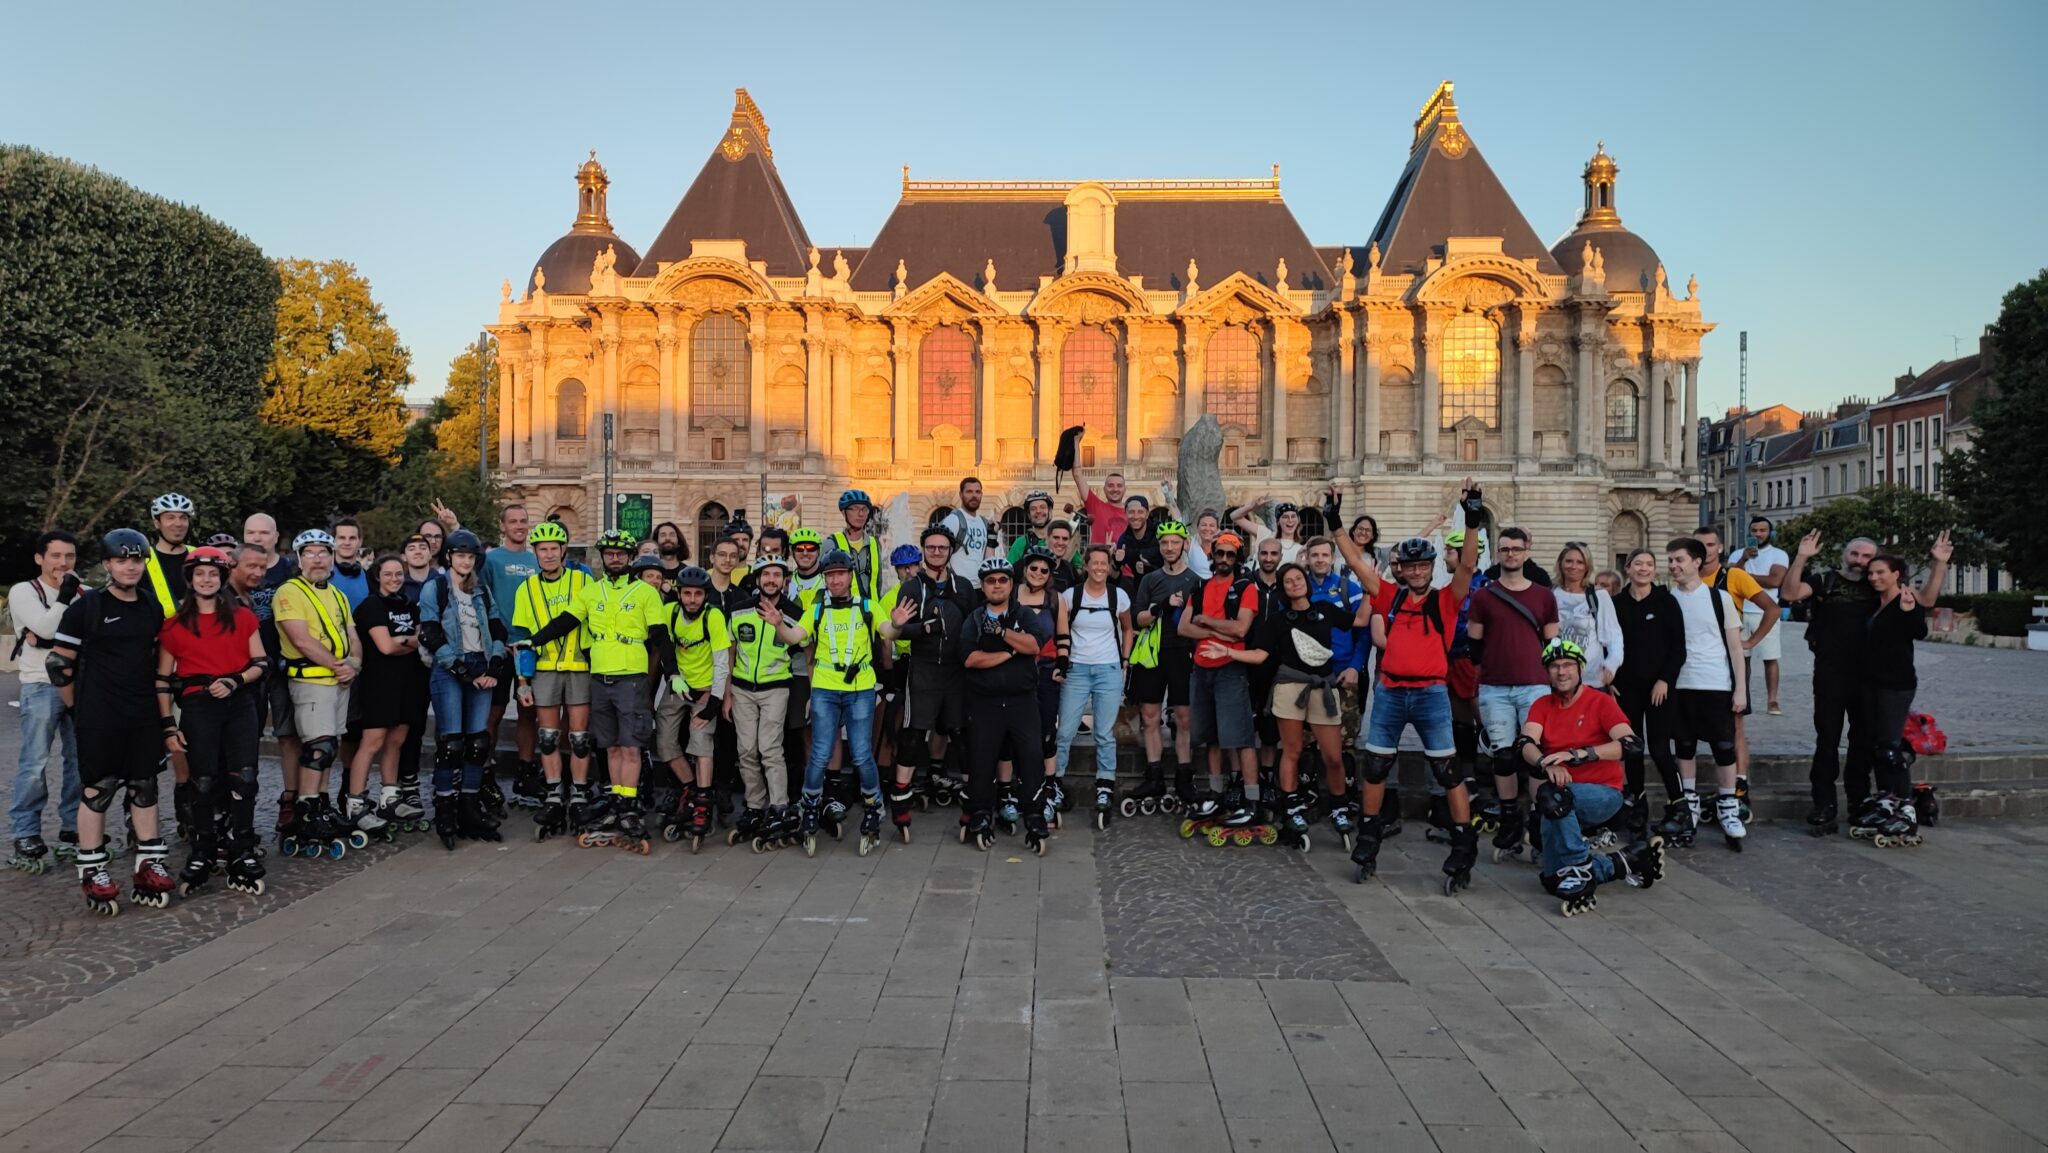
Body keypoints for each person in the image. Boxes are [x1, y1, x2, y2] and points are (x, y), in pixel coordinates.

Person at [1341, 483, 1481, 891]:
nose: (1418, 572)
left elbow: (1469, 567)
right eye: (1411, 567)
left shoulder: (1445, 601)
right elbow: (1357, 564)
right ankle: (1369, 835)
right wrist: (1335, 523)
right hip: (1391, 691)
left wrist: (1471, 518)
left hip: (1431, 694)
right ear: (1401, 569)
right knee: (1377, 767)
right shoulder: (1391, 597)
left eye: (1424, 566)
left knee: (1448, 771)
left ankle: (1462, 841)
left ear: (1432, 567)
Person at [518, 529, 671, 852]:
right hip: (600, 677)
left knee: (630, 747)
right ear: (602, 558)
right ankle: (616, 802)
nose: (614, 558)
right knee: (611, 746)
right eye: (609, 553)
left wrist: (674, 675)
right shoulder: (592, 591)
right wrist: (535, 640)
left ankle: (629, 807)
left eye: (620, 553)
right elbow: (565, 621)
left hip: (631, 677)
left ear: (630, 558)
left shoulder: (646, 592)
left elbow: (659, 636)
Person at [49, 529, 173, 914]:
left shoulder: (151, 607)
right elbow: (58, 665)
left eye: (137, 559)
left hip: (141, 712)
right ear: (107, 564)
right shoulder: (86, 608)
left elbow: (158, 661)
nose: (130, 566)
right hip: (98, 714)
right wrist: (75, 710)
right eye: (122, 559)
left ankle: (148, 863)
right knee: (98, 790)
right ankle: (92, 868)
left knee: (144, 785)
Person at [1203, 561, 1354, 851]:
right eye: (1288, 581)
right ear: (1283, 588)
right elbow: (1260, 655)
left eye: (1299, 578)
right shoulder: (1279, 620)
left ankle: (1339, 806)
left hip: (1322, 687)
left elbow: (1358, 620)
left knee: (1333, 756)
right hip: (1289, 688)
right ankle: (1292, 806)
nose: (1294, 583)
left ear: (1307, 582)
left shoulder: (1327, 609)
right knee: (1292, 751)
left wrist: (1367, 578)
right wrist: (1228, 652)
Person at [1517, 638, 1665, 915]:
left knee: (1551, 796)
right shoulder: (1542, 704)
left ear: (1580, 668)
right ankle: (1626, 861)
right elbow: (1525, 742)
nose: (1562, 672)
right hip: (1562, 796)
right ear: (1547, 672)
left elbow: (1631, 744)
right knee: (1552, 880)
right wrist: (1544, 763)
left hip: (1603, 793)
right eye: (1555, 666)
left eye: (1568, 665)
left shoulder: (1600, 701)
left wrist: (1580, 755)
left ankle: (1580, 869)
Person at [156, 546, 268, 897]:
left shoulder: (243, 617)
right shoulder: (173, 627)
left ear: (222, 579)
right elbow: (162, 680)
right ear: (189, 578)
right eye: (199, 574)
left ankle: (242, 847)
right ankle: (203, 849)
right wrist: (167, 726)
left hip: (238, 702)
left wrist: (235, 680)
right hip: (198, 706)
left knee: (244, 777)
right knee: (202, 781)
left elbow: (261, 663)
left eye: (213, 574)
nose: (206, 579)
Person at [1465, 525, 1560, 862]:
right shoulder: (1483, 596)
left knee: (1535, 756)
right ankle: (1509, 820)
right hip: (1495, 685)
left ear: (1526, 551)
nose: (1510, 554)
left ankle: (1536, 821)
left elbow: (1552, 645)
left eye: (1516, 549)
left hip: (1534, 684)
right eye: (1505, 549)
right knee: (1503, 756)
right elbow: (1473, 643)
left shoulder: (1544, 596)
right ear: (1498, 552)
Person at [955, 556, 1056, 853]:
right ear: (983, 586)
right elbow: (971, 659)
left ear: (1011, 584)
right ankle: (982, 813)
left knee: (1031, 756)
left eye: (1002, 580)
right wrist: (1011, 653)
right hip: (985, 701)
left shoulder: (1023, 614)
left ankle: (1035, 815)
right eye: (990, 580)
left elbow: (1034, 646)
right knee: (982, 759)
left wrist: (1001, 634)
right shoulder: (973, 618)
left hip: (1022, 701)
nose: (996, 585)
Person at [273, 529, 361, 860]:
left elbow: (351, 634)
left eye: (323, 552)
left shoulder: (337, 594)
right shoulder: (289, 591)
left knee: (330, 746)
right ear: (299, 559)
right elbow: (302, 640)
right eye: (309, 553)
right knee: (318, 747)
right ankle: (306, 811)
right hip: (311, 680)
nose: (318, 558)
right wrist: (339, 667)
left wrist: (354, 663)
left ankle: (320, 803)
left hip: (339, 682)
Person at [796, 549, 889, 853]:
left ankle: (874, 805)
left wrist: (898, 624)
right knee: (820, 752)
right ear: (825, 578)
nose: (835, 579)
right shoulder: (817, 609)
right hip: (825, 687)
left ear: (850, 576)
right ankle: (809, 805)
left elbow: (888, 630)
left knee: (861, 753)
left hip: (860, 688)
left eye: (840, 574)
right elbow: (796, 636)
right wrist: (776, 624)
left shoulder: (867, 606)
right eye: (830, 575)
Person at [511, 520, 595, 842]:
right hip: (544, 669)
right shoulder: (526, 589)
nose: (547, 554)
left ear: (563, 551)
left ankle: (579, 794)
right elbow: (521, 638)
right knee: (547, 736)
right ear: (535, 553)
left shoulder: (582, 580)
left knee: (579, 738)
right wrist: (522, 681)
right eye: (542, 549)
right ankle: (553, 794)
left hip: (578, 666)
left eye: (553, 549)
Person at [1661, 536, 1747, 850]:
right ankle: (1689, 802)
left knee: (1723, 746)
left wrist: (1741, 689)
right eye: (1670, 560)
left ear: (1697, 561)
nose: (1673, 566)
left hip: (1714, 681)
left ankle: (1728, 805)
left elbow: (1736, 647)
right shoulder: (1668, 598)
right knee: (1684, 745)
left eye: (1679, 560)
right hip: (1680, 683)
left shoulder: (1719, 598)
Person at [1852, 548, 1942, 846]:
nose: (1874, 577)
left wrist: (1908, 610)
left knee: (1891, 747)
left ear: (1896, 575)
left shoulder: (1906, 600)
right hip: (1870, 683)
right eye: (1871, 573)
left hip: (1896, 683)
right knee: (1876, 745)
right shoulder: (1873, 604)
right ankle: (1886, 800)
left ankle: (1906, 807)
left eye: (1881, 572)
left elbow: (1918, 631)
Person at [8, 531, 83, 875]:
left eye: (69, 556)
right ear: (40, 558)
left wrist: (50, 638)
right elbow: (44, 625)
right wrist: (66, 597)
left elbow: (78, 634)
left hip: (79, 685)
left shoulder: (87, 593)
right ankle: (26, 831)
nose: (63, 563)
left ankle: (73, 826)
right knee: (35, 762)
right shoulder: (25, 591)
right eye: (55, 556)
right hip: (40, 685)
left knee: (80, 762)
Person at [1177, 531, 1262, 828]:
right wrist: (1216, 631)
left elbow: (1240, 630)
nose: (1224, 559)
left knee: (1240, 736)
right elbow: (1184, 629)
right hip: (1201, 669)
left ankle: (1252, 800)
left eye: (1229, 554)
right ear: (1212, 555)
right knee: (1208, 737)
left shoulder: (1245, 587)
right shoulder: (1199, 587)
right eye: (1219, 553)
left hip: (1230, 667)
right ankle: (1215, 793)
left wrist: (1207, 621)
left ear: (1237, 558)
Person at [724, 556, 809, 849]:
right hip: (742, 688)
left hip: (776, 688)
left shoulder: (795, 612)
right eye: (766, 575)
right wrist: (726, 694)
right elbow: (730, 652)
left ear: (785, 580)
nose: (771, 580)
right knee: (746, 750)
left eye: (777, 575)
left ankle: (780, 806)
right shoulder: (739, 610)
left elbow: (806, 653)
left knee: (770, 749)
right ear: (757, 579)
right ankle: (755, 805)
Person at [888, 525, 975, 813]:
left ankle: (971, 801)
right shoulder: (912, 586)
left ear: (951, 551)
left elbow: (972, 626)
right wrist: (923, 628)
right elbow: (900, 632)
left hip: (955, 671)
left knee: (961, 735)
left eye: (942, 548)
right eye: (931, 548)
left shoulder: (962, 586)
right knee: (913, 734)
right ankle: (901, 797)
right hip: (923, 669)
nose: (936, 552)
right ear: (924, 551)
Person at [1695, 524, 1777, 816]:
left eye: (1710, 544)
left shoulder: (1734, 575)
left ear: (1720, 548)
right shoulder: (1684, 579)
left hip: (1729, 659)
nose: (1704, 550)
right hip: (1695, 661)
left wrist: (1751, 641)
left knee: (1735, 723)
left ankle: (1739, 786)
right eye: (1699, 544)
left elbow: (1772, 608)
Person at [1611, 547, 1686, 850]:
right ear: (1627, 568)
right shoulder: (1616, 604)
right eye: (1638, 564)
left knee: (1658, 747)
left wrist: (1665, 679)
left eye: (1649, 564)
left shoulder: (1667, 602)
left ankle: (1678, 804)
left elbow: (1678, 648)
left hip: (1659, 689)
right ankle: (1637, 804)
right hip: (1626, 687)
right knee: (1632, 747)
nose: (1644, 569)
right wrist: (1611, 680)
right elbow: (1609, 643)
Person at [655, 565, 730, 847]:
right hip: (679, 687)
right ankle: (689, 788)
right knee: (664, 743)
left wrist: (713, 702)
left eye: (698, 594)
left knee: (701, 743)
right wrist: (671, 676)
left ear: (705, 596)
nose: (692, 599)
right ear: (679, 594)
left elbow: (722, 662)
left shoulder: (714, 617)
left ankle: (703, 800)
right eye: (687, 593)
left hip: (705, 689)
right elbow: (665, 647)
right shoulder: (670, 612)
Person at [1131, 521, 1203, 806]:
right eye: (1164, 543)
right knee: (1150, 717)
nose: (1169, 548)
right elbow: (1138, 619)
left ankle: (1185, 776)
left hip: (1182, 653)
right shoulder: (1150, 580)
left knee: (1184, 718)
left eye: (1174, 542)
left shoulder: (1196, 581)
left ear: (1184, 544)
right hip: (1153, 652)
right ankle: (1154, 775)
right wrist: (1161, 607)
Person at [1057, 545, 1130, 823]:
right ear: (1085, 566)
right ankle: (1055, 782)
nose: (1099, 567)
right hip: (1077, 668)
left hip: (1108, 668)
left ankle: (1105, 785)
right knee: (1064, 731)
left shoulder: (1118, 595)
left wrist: (1125, 659)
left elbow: (1127, 627)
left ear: (1109, 567)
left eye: (1104, 563)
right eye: (1094, 563)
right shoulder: (1070, 595)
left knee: (1104, 733)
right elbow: (1062, 630)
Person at [353, 555, 424, 835]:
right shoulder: (371, 606)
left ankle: (389, 796)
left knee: (397, 739)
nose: (394, 579)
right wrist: (408, 641)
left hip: (408, 681)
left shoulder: (407, 604)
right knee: (373, 741)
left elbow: (420, 639)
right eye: (388, 574)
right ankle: (356, 802)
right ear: (377, 576)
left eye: (398, 574)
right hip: (378, 681)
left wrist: (403, 641)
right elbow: (385, 647)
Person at [483, 504, 541, 807]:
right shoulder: (492, 561)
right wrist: (495, 639)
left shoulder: (536, 560)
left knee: (527, 712)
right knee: (492, 712)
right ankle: (486, 771)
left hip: (528, 648)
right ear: (503, 526)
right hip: (499, 648)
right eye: (513, 521)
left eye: (524, 521)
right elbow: (482, 600)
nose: (519, 526)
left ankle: (525, 771)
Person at [1010, 546, 1071, 823]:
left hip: (1045, 672)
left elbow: (1063, 637)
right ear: (1025, 569)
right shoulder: (1012, 594)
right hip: (1014, 670)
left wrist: (1061, 666)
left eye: (1044, 570)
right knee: (1015, 731)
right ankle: (1015, 786)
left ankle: (1049, 785)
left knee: (1047, 731)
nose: (1038, 573)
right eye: (1033, 568)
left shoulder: (1055, 599)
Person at [1552, 542, 1624, 691]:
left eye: (1580, 562)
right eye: (1569, 561)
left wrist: (1611, 664)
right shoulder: (1549, 594)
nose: (1573, 566)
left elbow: (1614, 637)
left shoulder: (1598, 596)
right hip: (1557, 680)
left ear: (1587, 566)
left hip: (1591, 682)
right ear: (1560, 563)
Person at [1735, 516, 1789, 715]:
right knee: (1742, 658)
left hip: (1765, 611)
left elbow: (1775, 580)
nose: (1758, 534)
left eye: (1762, 530)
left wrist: (1745, 578)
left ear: (1770, 532)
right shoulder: (1737, 555)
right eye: (1754, 530)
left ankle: (1772, 700)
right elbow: (1731, 577)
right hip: (1741, 611)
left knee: (1770, 657)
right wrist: (1743, 560)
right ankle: (1744, 696)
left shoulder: (1778, 554)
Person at [940, 477, 1002, 583]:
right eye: (969, 492)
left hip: (980, 587)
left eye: (977, 492)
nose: (974, 496)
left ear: (981, 494)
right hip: (958, 587)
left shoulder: (984, 522)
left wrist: (992, 534)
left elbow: (987, 558)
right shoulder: (953, 520)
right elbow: (940, 554)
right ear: (961, 494)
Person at [143, 492, 195, 617]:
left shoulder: (198, 554)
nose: (178, 523)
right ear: (157, 523)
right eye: (170, 517)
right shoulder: (143, 559)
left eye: (183, 517)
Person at [830, 490, 883, 600]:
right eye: (855, 509)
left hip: (871, 611)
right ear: (844, 512)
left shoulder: (874, 544)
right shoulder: (832, 543)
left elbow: (878, 582)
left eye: (864, 509)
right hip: (845, 612)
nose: (861, 514)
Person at [1071, 461, 1130, 547]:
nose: (1115, 489)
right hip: (1099, 558)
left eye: (1119, 486)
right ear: (1104, 489)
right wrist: (1074, 446)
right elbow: (1077, 474)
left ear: (1125, 489)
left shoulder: (1132, 513)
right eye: (1110, 485)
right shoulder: (1096, 507)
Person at [1113, 496, 1160, 593]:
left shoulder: (1159, 532)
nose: (1135, 516)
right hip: (1140, 588)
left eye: (1140, 512)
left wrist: (1148, 567)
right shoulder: (1124, 540)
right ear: (1125, 514)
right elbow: (1115, 577)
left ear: (1147, 514)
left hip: (1165, 585)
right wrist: (1115, 560)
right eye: (1131, 512)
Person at [329, 518, 371, 609]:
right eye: (342, 538)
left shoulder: (370, 578)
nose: (347, 543)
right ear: (333, 541)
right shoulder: (321, 577)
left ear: (360, 542)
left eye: (352, 538)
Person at [1006, 490, 1056, 563]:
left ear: (1050, 511)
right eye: (1033, 509)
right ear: (1029, 515)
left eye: (1042, 507)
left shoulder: (1060, 540)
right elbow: (1009, 570)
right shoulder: (1021, 543)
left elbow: (1077, 570)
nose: (1038, 511)